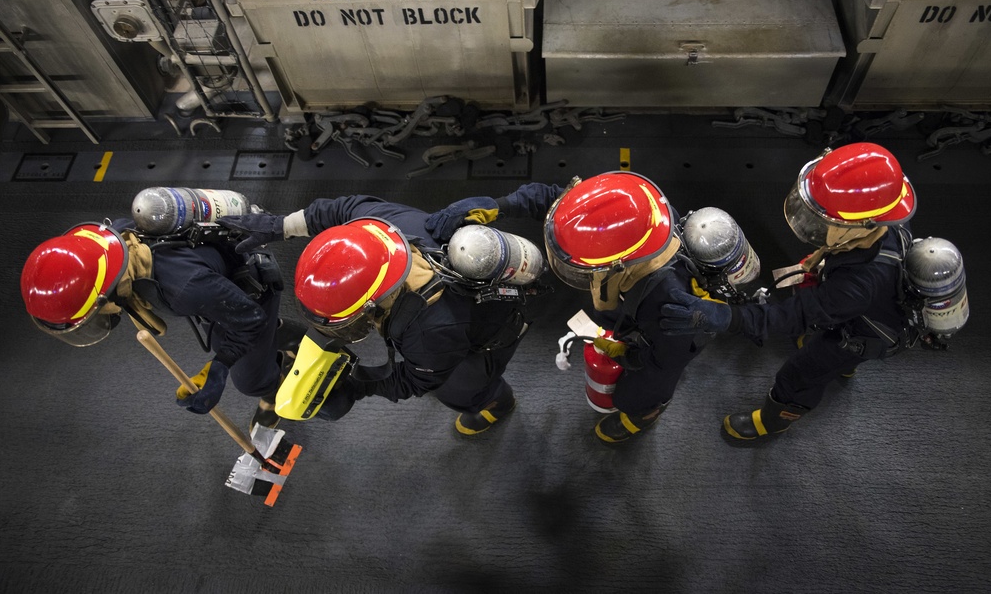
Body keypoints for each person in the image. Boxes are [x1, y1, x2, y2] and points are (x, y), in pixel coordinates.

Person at [425, 171, 726, 445]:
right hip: (636, 305)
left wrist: (631, 355)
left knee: (637, 394)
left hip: (671, 339)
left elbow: (665, 360)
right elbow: (559, 206)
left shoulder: (668, 302)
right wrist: (500, 204)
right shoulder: (632, 207)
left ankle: (644, 414)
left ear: (618, 266)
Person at [654, 142, 917, 441]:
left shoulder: (856, 286)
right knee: (841, 348)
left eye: (824, 219)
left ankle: (773, 421)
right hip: (874, 310)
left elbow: (789, 317)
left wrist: (726, 317)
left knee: (803, 372)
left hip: (864, 334)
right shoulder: (889, 223)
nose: (813, 221)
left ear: (860, 225)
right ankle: (847, 367)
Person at [217, 195, 535, 435]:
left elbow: (417, 380)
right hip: (452, 312)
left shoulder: (428, 332)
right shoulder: (375, 223)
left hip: (492, 326)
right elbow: (337, 210)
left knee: (456, 386)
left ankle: (496, 400)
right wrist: (281, 225)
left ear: (374, 303)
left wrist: (361, 386)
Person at [20, 218, 296, 430]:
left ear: (110, 292)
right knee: (222, 341)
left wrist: (220, 367)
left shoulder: (184, 289)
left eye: (96, 313)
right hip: (214, 285)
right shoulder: (111, 243)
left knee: (248, 379)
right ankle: (272, 340)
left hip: (253, 279)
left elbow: (251, 319)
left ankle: (270, 390)